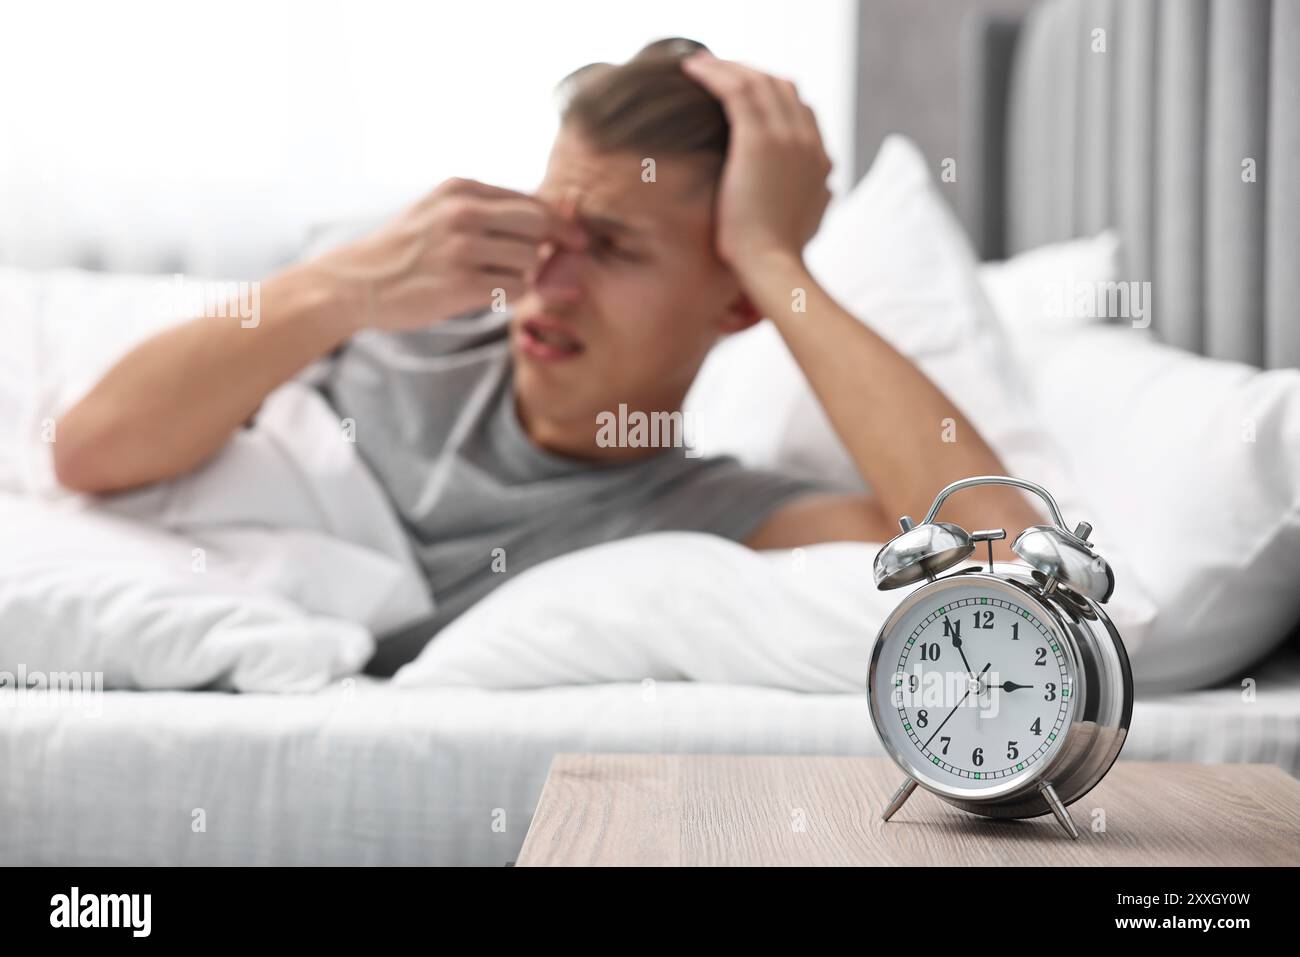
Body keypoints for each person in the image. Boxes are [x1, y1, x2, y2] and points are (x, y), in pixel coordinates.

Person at [53, 39, 1040, 673]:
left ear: (736, 302)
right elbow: (89, 452)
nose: (546, 280)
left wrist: (775, 259)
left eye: (611, 248)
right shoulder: (403, 318)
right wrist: (347, 282)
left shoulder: (696, 514)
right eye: (547, 225)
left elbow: (1004, 562)